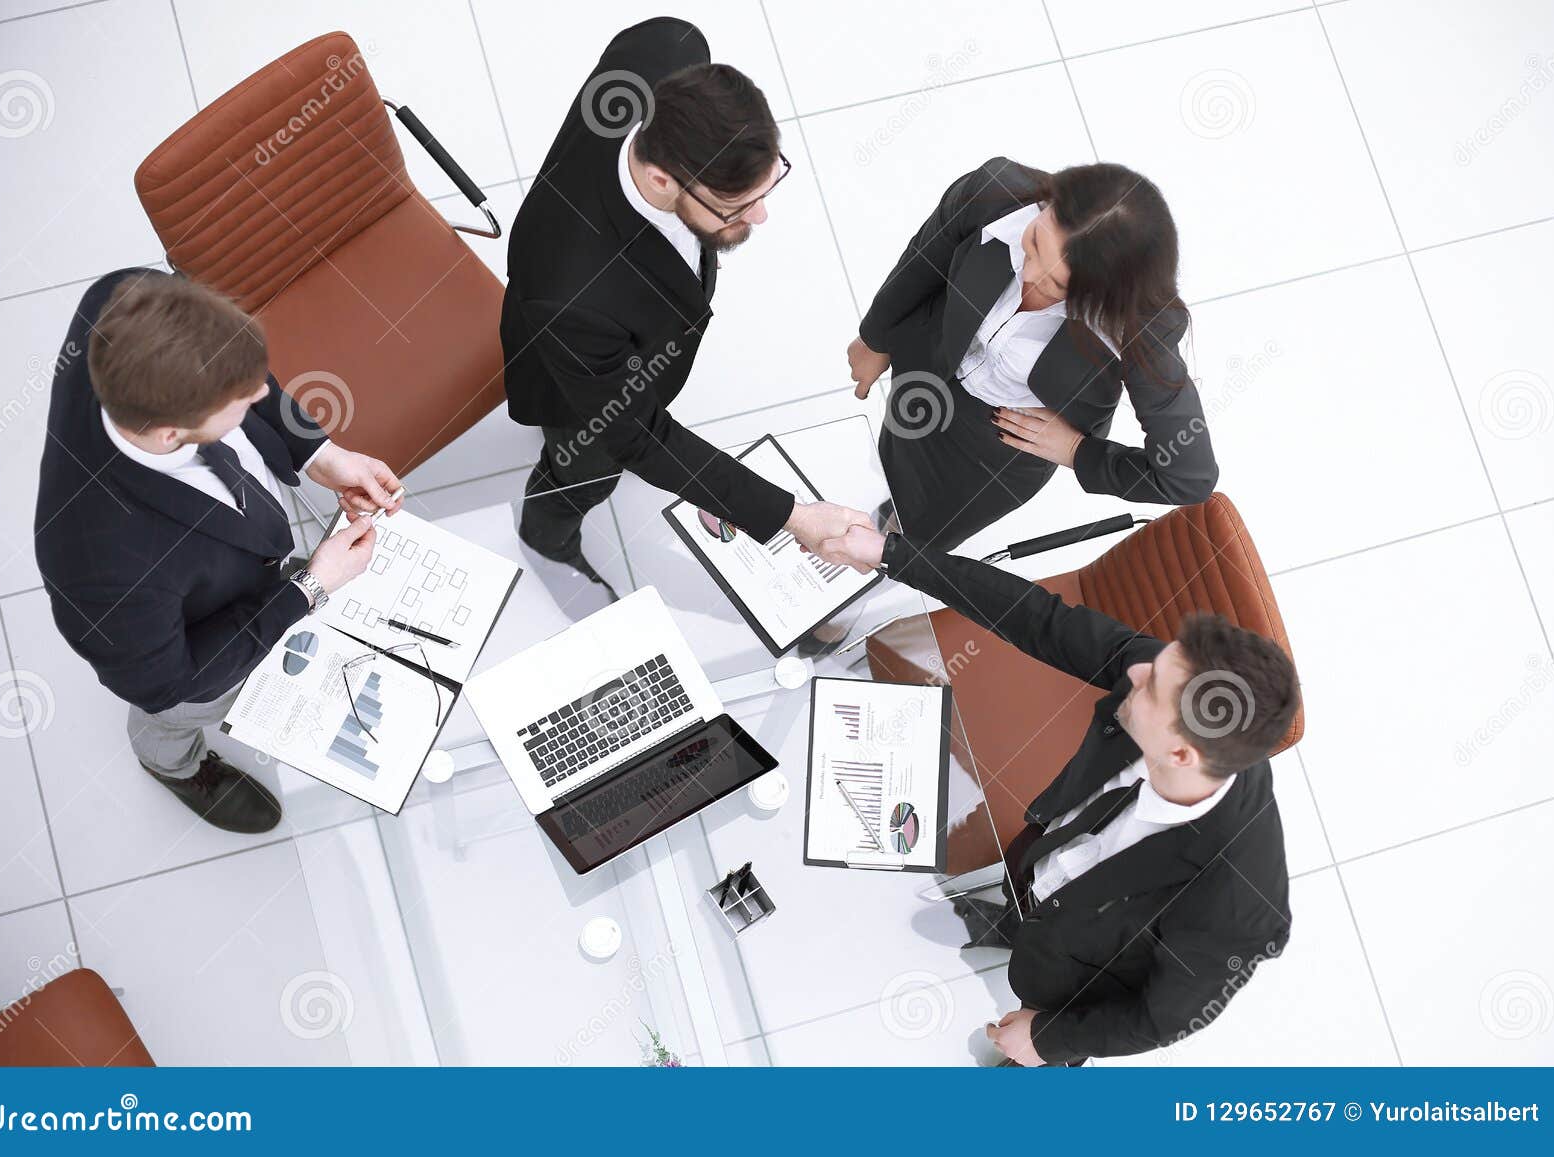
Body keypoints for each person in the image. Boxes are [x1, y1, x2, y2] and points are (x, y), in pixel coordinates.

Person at [811, 523, 1299, 1065]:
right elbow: (1036, 617)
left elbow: (1162, 1018)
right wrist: (892, 553)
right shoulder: (1169, 697)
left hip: (1076, 982)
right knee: (1027, 891)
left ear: (1181, 755)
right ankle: (1016, 917)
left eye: (1150, 683)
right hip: (1042, 865)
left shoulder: (1241, 904)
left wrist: (1048, 1039)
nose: (1133, 668)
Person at [34, 269, 404, 834]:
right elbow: (170, 681)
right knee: (175, 712)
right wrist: (307, 590)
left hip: (234, 555)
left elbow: (251, 380)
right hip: (194, 644)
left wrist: (318, 455)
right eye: (241, 402)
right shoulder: (98, 565)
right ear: (168, 436)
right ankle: (170, 761)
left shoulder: (125, 297)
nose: (264, 395)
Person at [502, 17, 868, 585]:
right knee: (584, 469)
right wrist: (790, 516)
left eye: (767, 187)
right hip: (578, 392)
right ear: (661, 178)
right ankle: (545, 540)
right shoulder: (572, 292)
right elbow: (639, 435)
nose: (759, 216)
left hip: (622, 329)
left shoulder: (668, 44)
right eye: (733, 207)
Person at [847, 158, 1218, 553]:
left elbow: (1188, 477)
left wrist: (1080, 452)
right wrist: (875, 337)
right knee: (884, 470)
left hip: (995, 456)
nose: (1029, 275)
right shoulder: (992, 194)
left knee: (908, 542)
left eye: (1059, 284)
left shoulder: (1140, 326)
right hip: (924, 373)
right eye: (1036, 243)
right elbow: (924, 259)